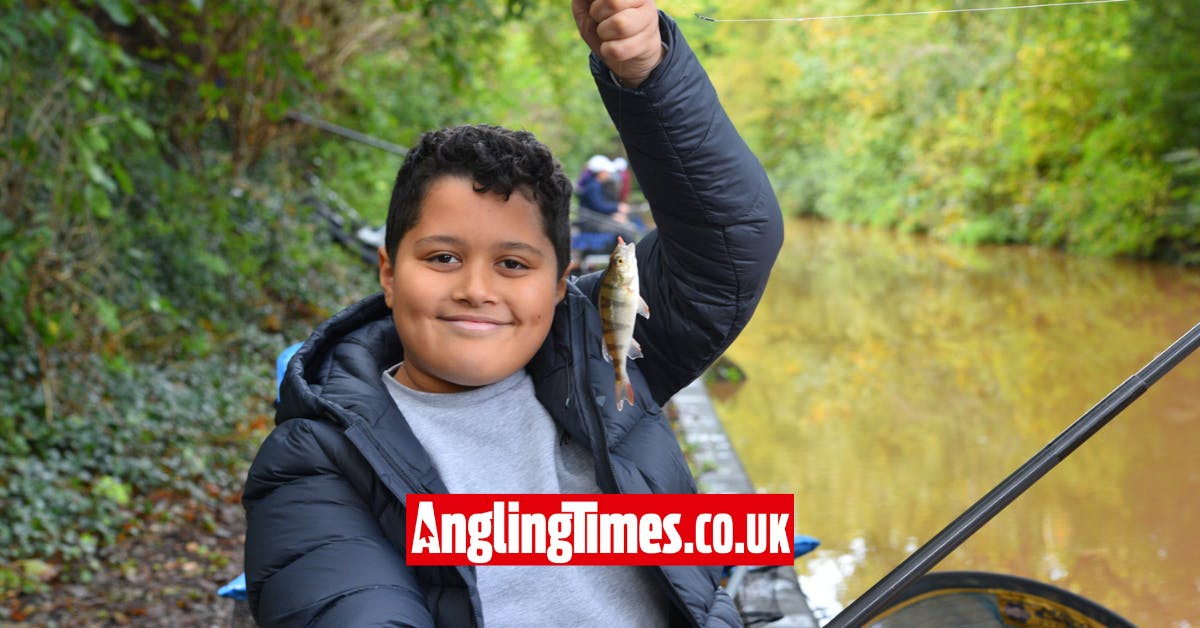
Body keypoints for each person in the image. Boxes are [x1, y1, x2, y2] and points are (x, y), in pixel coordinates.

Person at [241, 1, 783, 626]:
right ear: (389, 273)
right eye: (443, 257)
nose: (476, 289)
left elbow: (732, 240)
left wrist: (648, 74)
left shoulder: (602, 354)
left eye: (514, 264)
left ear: (559, 285)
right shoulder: (313, 460)